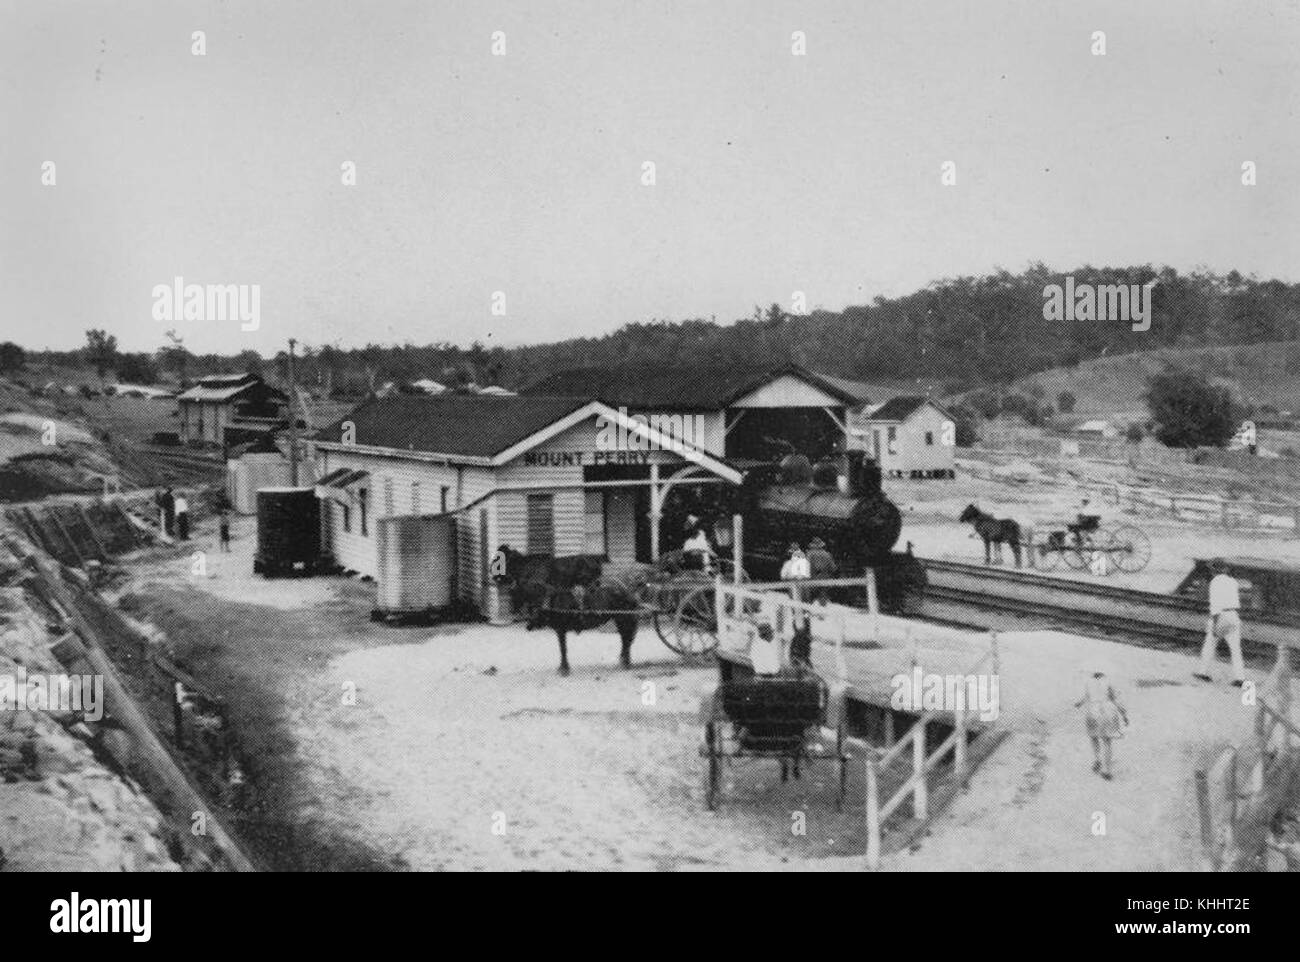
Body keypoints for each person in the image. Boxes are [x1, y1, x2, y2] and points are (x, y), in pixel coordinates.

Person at [1195, 558, 1245, 687]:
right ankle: (1240, 678)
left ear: (1213, 570)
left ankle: (1203, 672)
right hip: (1234, 615)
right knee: (1236, 649)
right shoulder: (1233, 582)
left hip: (1220, 616)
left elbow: (1215, 604)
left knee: (1210, 644)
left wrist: (1215, 624)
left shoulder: (1215, 582)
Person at [1075, 671, 1129, 780]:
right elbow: (1116, 699)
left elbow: (1084, 698)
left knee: (1094, 736)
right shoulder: (1109, 681)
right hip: (1108, 711)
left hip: (1093, 710)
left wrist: (1078, 704)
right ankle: (1108, 771)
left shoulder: (1088, 682)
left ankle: (1097, 759)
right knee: (1107, 741)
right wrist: (1124, 714)